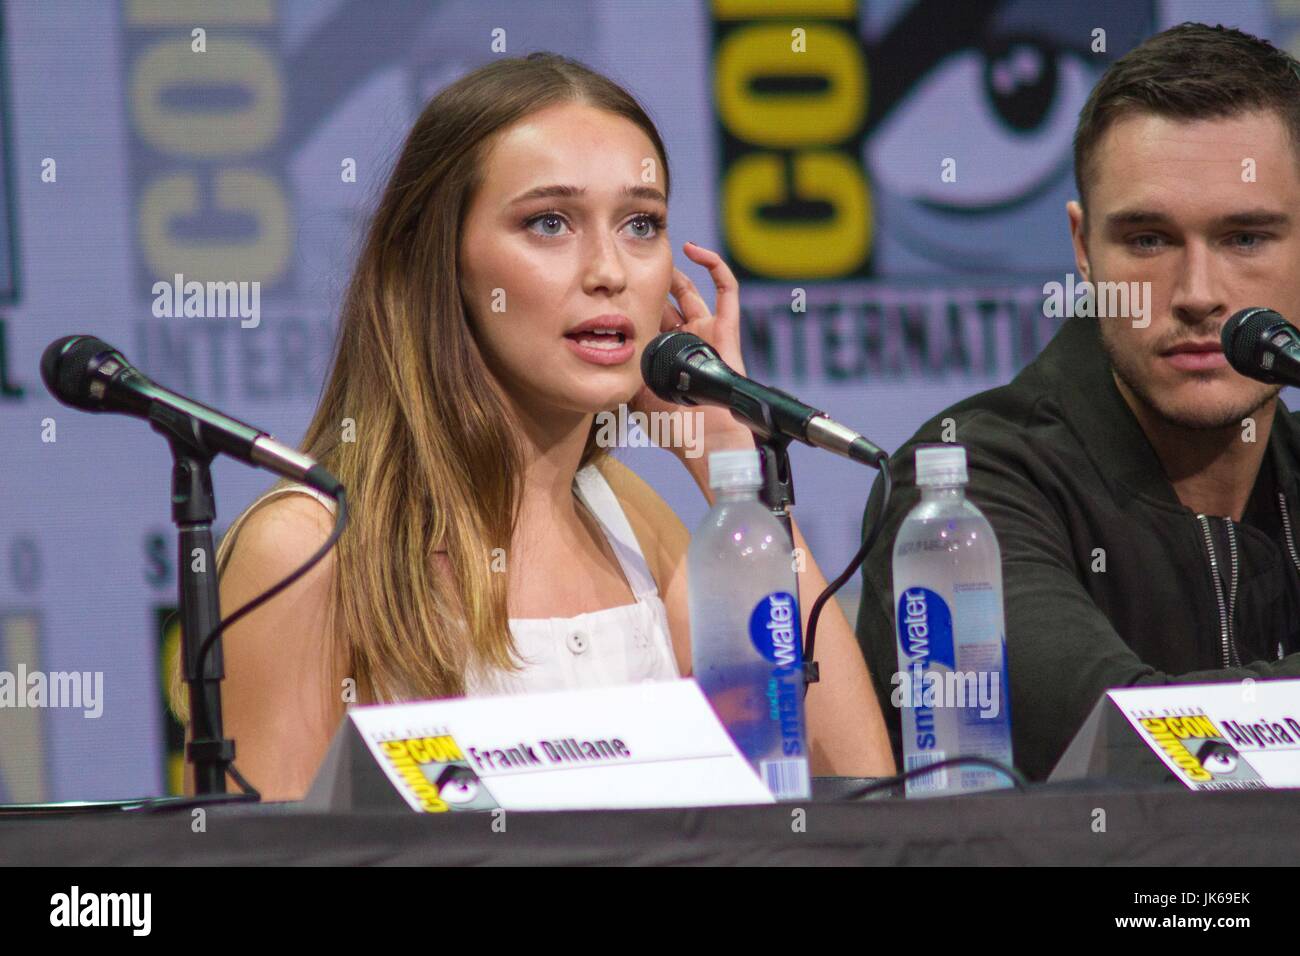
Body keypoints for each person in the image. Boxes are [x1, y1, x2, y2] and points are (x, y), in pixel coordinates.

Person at [169, 52, 896, 800]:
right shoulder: (307, 548)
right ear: (440, 262)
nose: (609, 269)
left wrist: (727, 460)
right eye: (550, 223)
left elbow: (855, 789)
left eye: (640, 224)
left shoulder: (634, 525)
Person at [856, 22, 1300, 782]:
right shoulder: (964, 493)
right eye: (1150, 240)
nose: (1199, 295)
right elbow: (1140, 745)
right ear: (1083, 250)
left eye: (1246, 238)